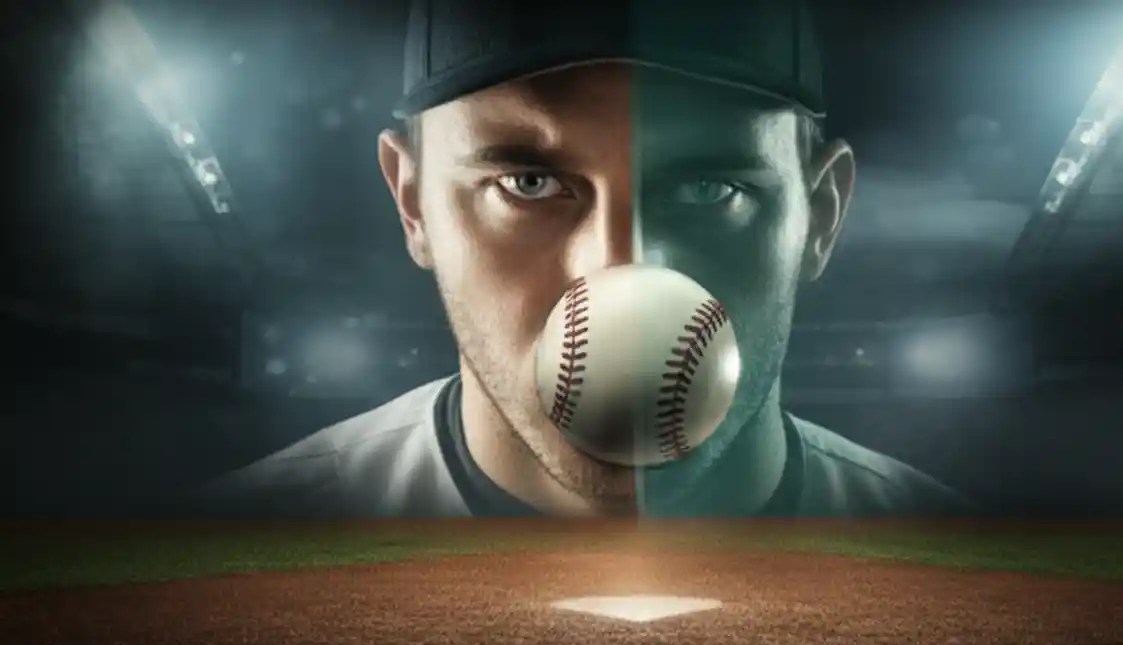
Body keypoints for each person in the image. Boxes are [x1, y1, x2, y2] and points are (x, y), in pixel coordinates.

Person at [195, 0, 977, 518]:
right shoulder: (234, 530)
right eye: (528, 183)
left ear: (821, 216)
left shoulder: (951, 545)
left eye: (709, 186)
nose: (620, 273)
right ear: (413, 203)